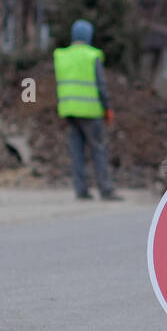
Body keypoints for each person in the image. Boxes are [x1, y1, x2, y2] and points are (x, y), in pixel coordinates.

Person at [53, 19, 121, 200]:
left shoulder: (61, 55)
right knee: (98, 150)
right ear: (88, 36)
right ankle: (106, 189)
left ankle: (81, 190)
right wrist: (107, 107)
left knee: (77, 153)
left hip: (69, 110)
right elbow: (101, 85)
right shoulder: (93, 56)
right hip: (91, 112)